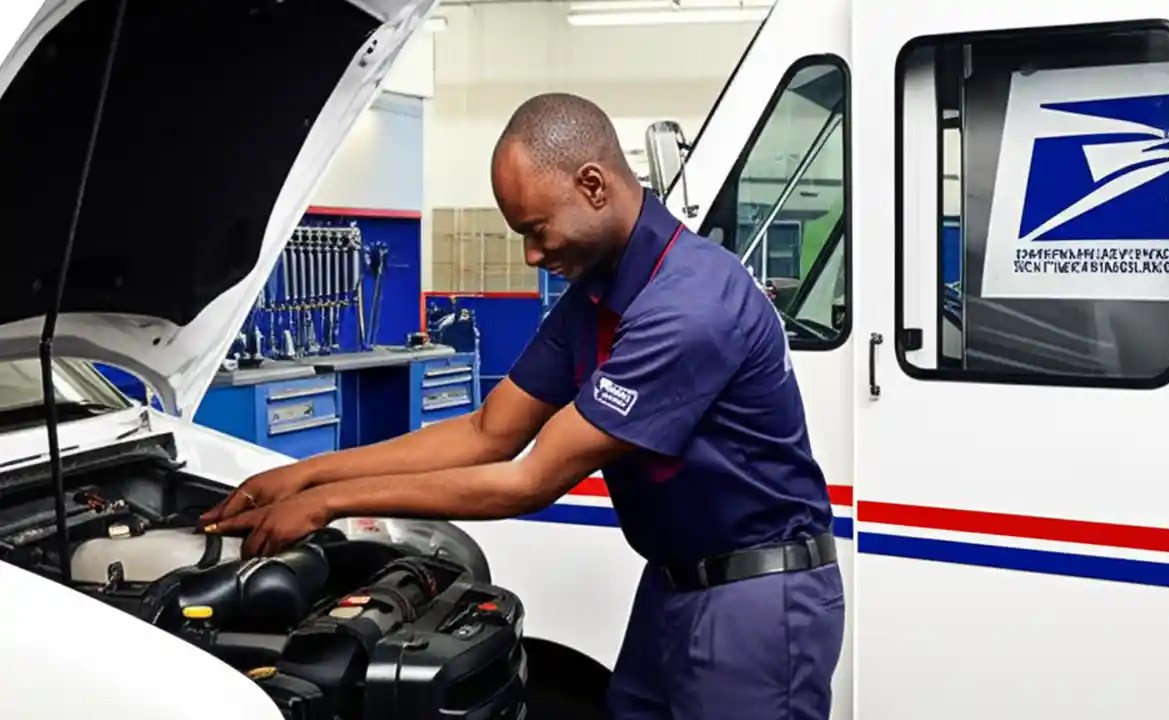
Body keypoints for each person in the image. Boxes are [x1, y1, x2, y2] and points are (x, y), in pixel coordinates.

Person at [200, 92, 844, 719]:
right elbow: (488, 431)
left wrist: (332, 502)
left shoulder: (688, 306)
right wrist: (306, 473)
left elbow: (526, 481)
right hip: (675, 587)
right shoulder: (601, 294)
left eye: (536, 230)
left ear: (594, 184)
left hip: (755, 597)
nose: (533, 255)